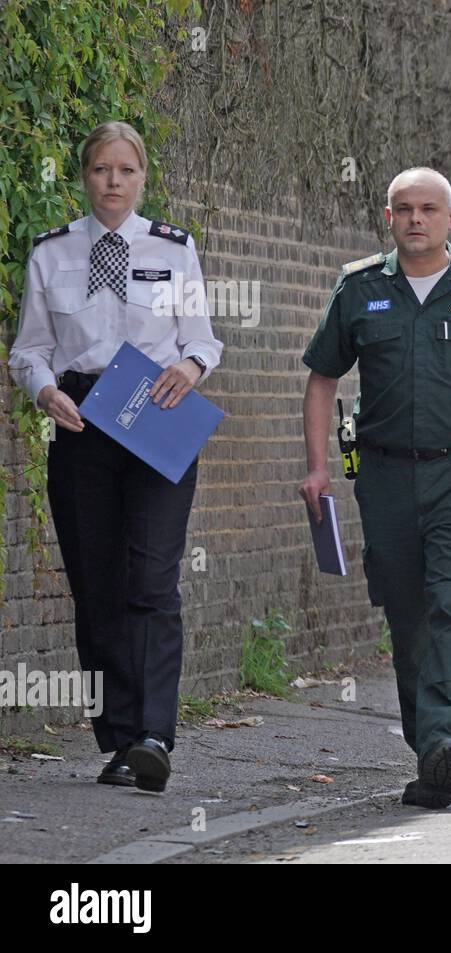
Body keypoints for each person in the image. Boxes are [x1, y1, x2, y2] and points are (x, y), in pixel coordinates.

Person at [299, 168, 451, 809]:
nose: (415, 219)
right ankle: (428, 750)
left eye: (429, 209)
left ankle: (444, 741)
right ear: (387, 217)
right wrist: (318, 466)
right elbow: (322, 377)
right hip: (383, 476)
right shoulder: (359, 289)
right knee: (407, 612)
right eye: (403, 209)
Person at [8, 120, 223, 792]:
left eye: (126, 170)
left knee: (152, 580)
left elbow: (205, 340)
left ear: (142, 177)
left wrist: (189, 368)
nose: (113, 181)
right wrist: (43, 391)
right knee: (97, 585)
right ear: (84, 175)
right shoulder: (52, 253)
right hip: (81, 424)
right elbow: (28, 349)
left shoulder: (174, 248)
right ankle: (120, 738)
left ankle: (155, 733)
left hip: (156, 416)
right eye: (102, 169)